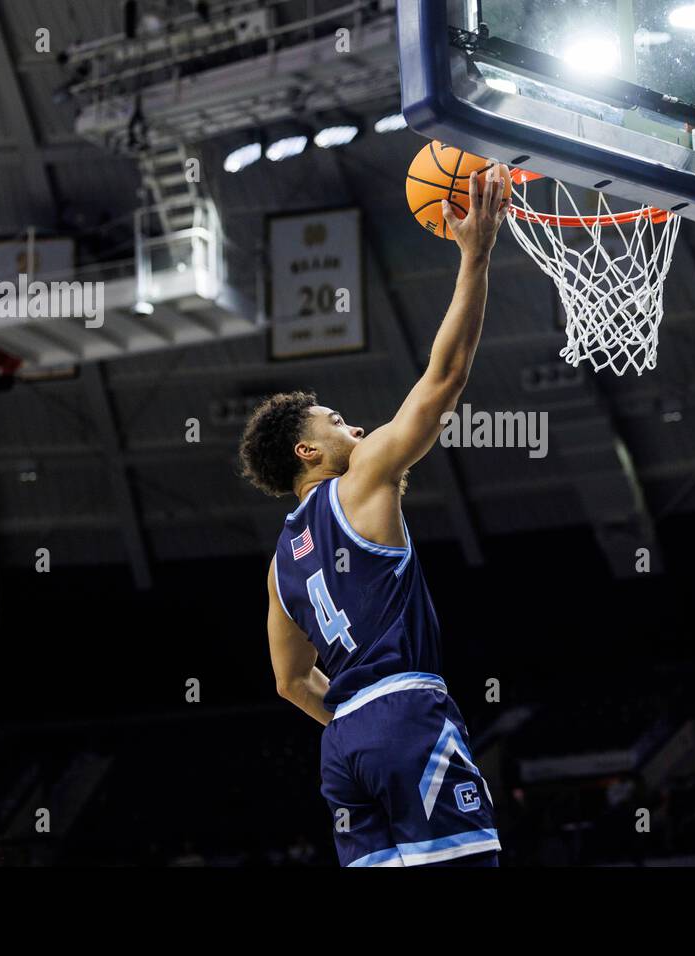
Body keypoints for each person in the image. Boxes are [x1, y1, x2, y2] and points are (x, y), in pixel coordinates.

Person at [239, 165, 510, 866]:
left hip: (344, 750)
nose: (352, 424)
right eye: (335, 420)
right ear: (308, 450)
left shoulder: (279, 567)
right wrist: (475, 254)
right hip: (404, 716)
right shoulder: (360, 480)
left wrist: (356, 717)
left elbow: (289, 682)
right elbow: (445, 379)